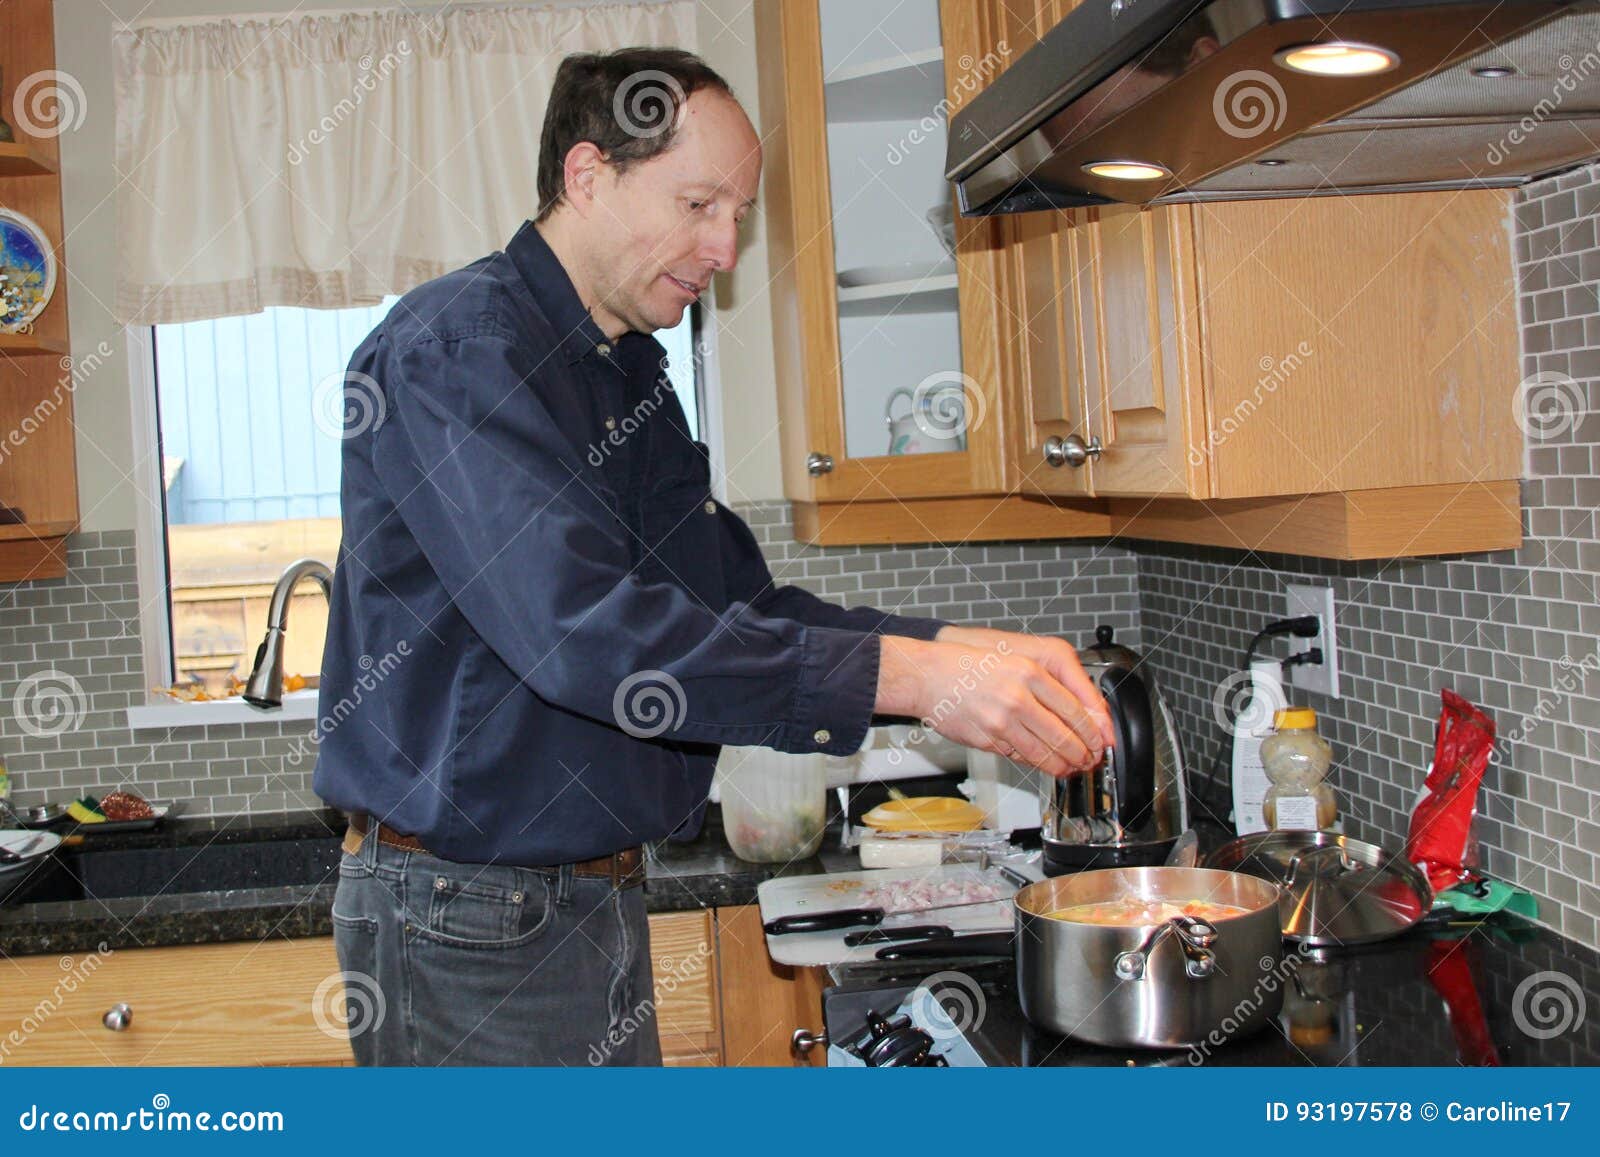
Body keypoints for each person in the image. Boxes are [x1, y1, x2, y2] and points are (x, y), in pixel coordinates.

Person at [314, 47, 1114, 1067]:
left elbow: (740, 602)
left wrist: (962, 650)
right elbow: (586, 636)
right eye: (700, 204)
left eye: (738, 211)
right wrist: (922, 676)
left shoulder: (627, 377)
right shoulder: (459, 352)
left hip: (577, 897)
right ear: (587, 175)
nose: (726, 247)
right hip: (470, 917)